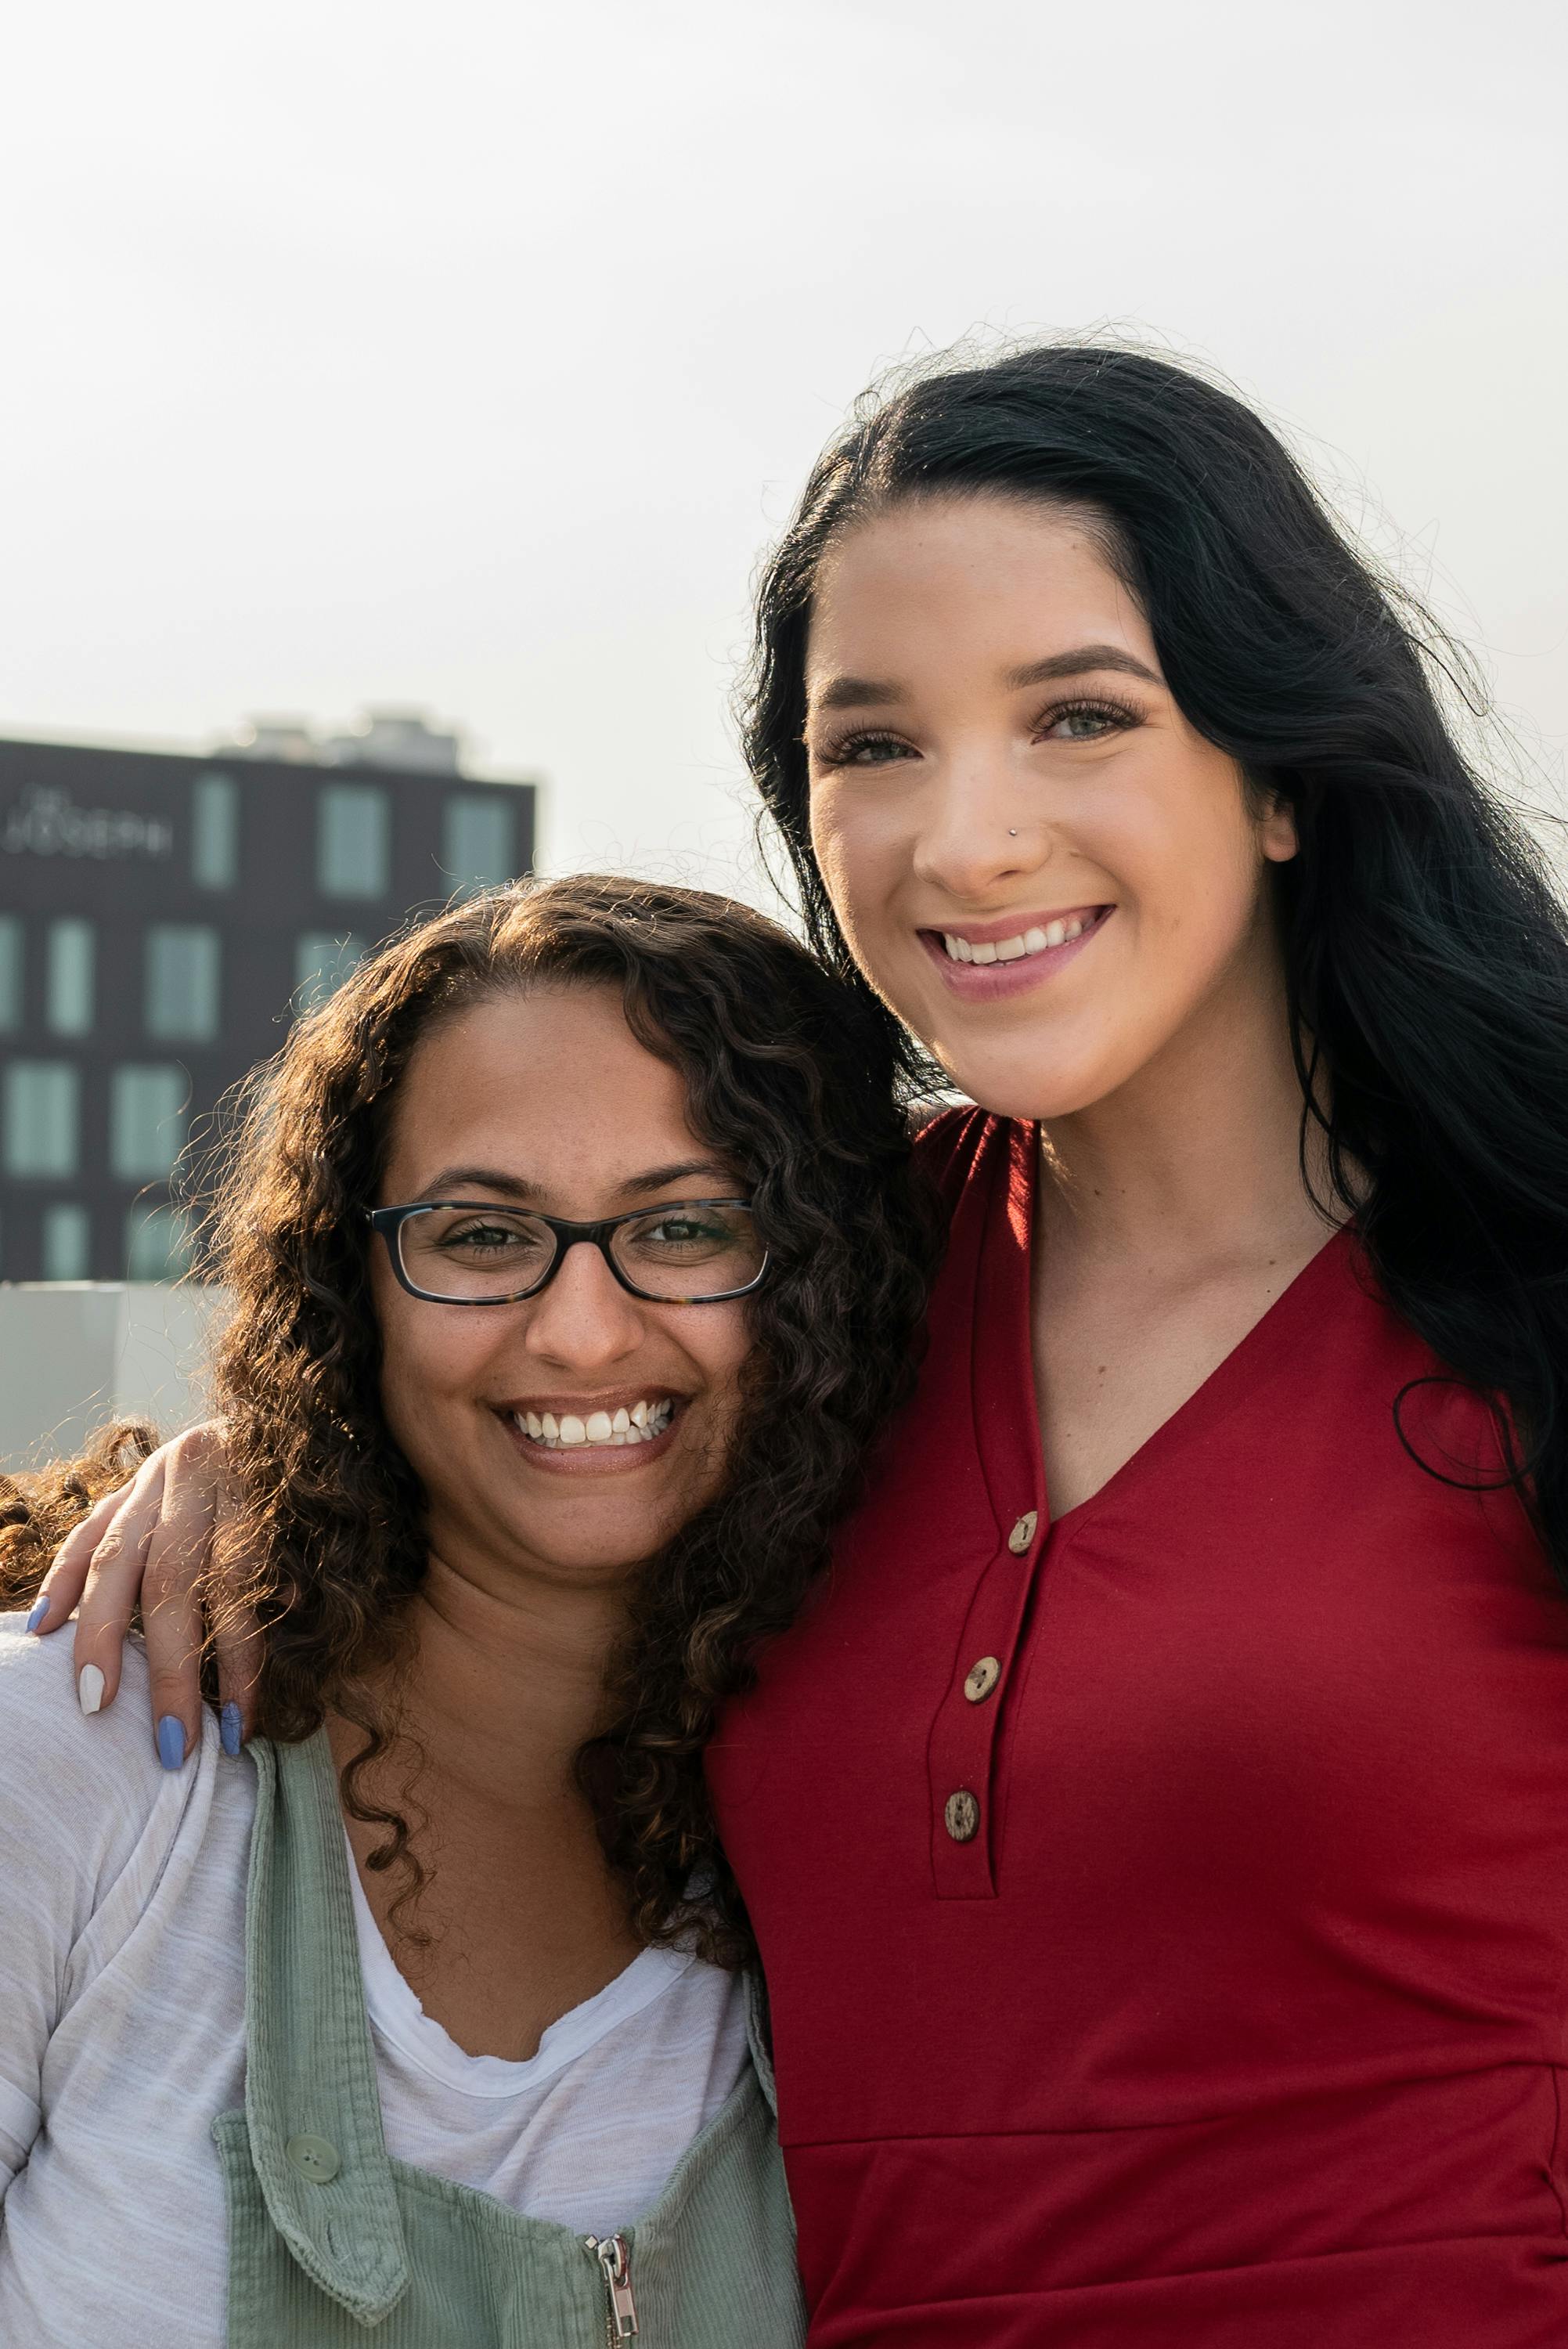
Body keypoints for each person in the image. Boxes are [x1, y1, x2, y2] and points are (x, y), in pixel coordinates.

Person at [44, 342, 1568, 2345]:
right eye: (875, 749)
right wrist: (249, 1462)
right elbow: (528, 1379)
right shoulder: (818, 1288)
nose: (967, 841)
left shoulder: (1528, 1280)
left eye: (1080, 716)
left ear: (1283, 773)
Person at [0, 875, 934, 2347]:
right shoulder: (86, 1744)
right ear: (351, 1285)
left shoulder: (882, 1853)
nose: (577, 1329)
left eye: (686, 1229)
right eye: (483, 1235)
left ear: (830, 1277)